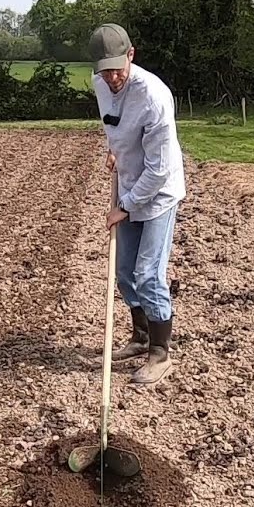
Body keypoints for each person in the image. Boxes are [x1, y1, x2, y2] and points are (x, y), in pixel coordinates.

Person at [88, 23, 185, 385]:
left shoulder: (154, 96)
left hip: (157, 194)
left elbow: (159, 170)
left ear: (131, 54)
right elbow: (113, 125)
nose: (112, 77)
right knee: (125, 273)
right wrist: (115, 151)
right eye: (104, 69)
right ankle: (140, 337)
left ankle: (160, 354)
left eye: (117, 67)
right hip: (129, 183)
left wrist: (125, 206)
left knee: (148, 274)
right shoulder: (101, 83)